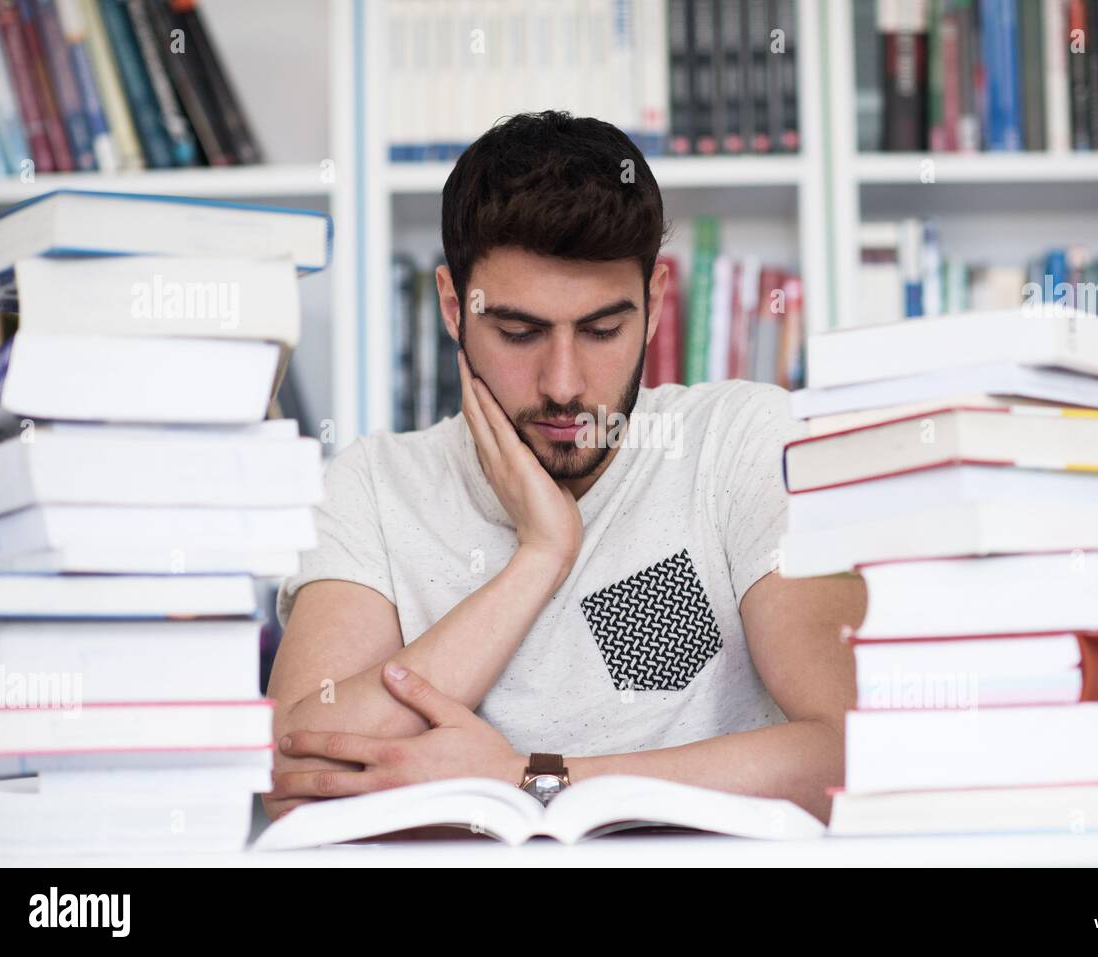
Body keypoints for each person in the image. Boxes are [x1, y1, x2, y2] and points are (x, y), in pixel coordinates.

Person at [264, 111, 865, 825]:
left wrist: (533, 779)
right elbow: (299, 774)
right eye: (519, 333)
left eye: (602, 330)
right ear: (454, 308)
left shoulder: (740, 444)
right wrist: (541, 554)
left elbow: (853, 751)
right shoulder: (371, 485)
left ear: (654, 304)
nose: (563, 383)